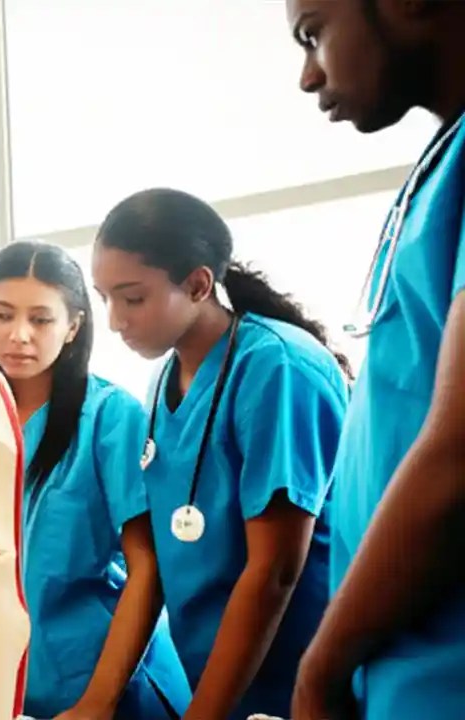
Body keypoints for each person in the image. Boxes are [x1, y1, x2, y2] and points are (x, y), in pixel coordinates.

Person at [89, 188, 351, 720]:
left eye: (132, 298)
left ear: (198, 284)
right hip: (225, 690)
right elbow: (166, 560)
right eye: (104, 299)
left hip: (301, 686)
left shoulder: (277, 368)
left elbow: (276, 569)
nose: (115, 321)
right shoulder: (165, 382)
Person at [282, 2, 465, 718]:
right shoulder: (443, 166)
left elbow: (456, 453)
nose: (307, 75)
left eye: (313, 32)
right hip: (396, 682)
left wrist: (320, 669)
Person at [0, 241, 191, 720]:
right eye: (3, 315)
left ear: (73, 325)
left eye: (40, 319)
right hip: (5, 686)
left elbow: (148, 567)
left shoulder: (109, 417)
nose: (18, 335)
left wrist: (98, 702)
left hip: (105, 688)